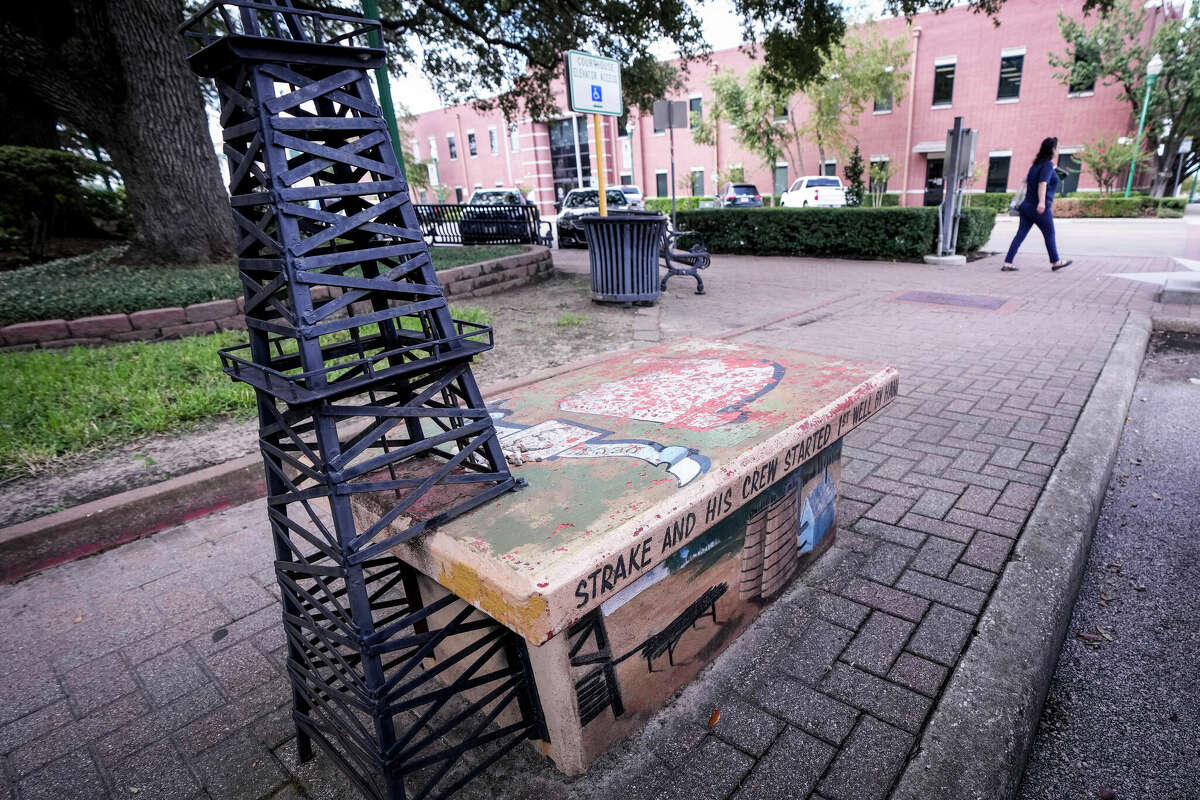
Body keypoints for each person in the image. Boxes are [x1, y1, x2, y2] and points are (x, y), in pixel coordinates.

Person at [1001, 137, 1072, 272]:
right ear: (1052, 149)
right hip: (1038, 207)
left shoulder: (1035, 166)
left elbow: (1034, 181)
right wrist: (1042, 202)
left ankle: (1007, 263)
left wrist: (1054, 171)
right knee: (1049, 233)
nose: (1058, 150)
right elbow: (1042, 184)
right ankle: (1056, 262)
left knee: (1020, 234)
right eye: (1057, 148)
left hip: (1026, 206)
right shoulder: (1047, 165)